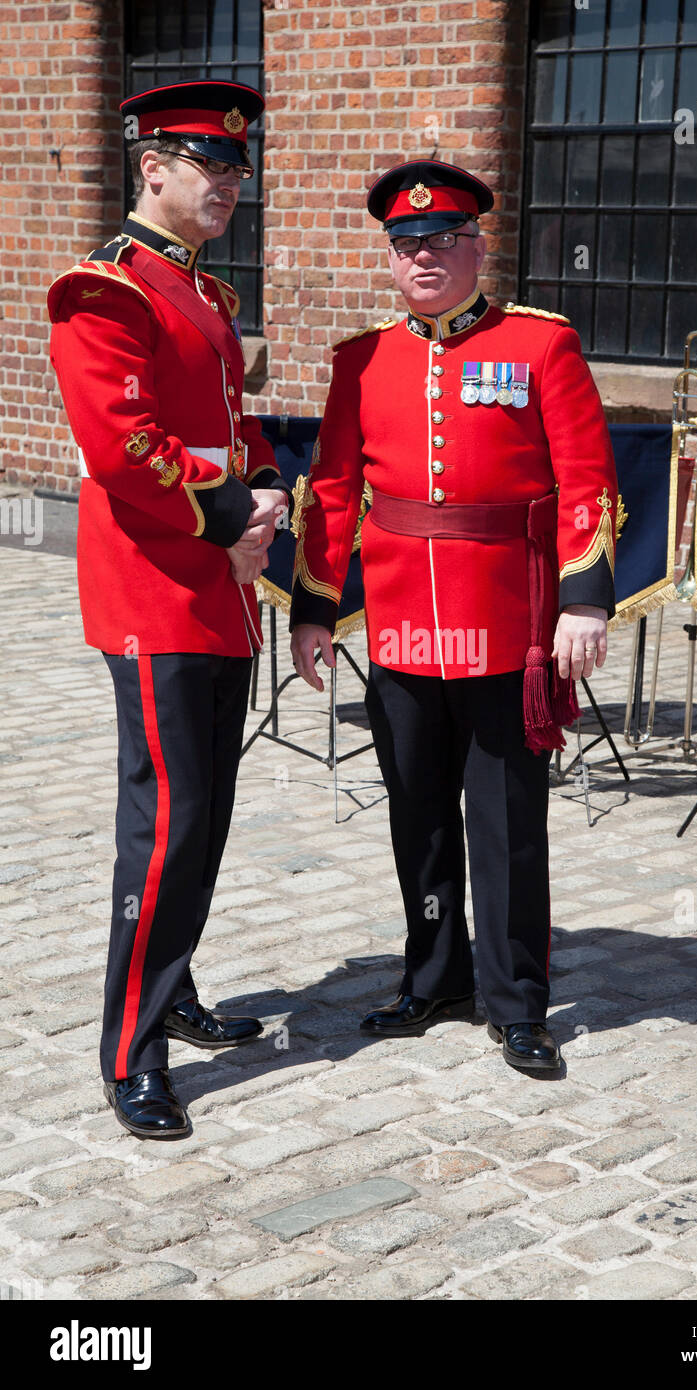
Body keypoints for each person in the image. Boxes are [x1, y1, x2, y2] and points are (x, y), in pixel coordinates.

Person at [290, 159, 616, 1072]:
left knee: (507, 819)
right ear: (391, 258)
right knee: (418, 812)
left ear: (478, 246)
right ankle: (434, 974)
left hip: (511, 625)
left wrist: (584, 598)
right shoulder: (363, 360)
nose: (425, 257)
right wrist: (317, 608)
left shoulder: (541, 345)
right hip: (400, 623)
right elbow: (333, 488)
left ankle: (518, 1000)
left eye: (442, 240)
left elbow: (588, 481)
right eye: (407, 244)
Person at [48, 81, 291, 1138]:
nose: (229, 184)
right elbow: (123, 448)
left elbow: (229, 422)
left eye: (238, 169)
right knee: (163, 826)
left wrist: (270, 481)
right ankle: (129, 1052)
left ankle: (174, 984)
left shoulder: (209, 295)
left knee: (206, 817)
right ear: (153, 168)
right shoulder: (106, 293)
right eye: (210, 166)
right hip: (157, 586)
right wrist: (235, 510)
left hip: (219, 588)